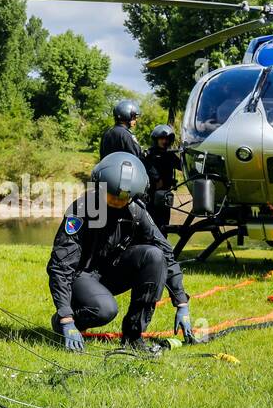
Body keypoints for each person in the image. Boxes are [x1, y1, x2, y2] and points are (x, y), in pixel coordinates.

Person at [48, 151, 197, 353]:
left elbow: (165, 252)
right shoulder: (81, 211)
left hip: (112, 272)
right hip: (81, 276)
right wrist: (65, 317)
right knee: (105, 310)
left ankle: (133, 337)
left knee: (155, 256)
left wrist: (181, 302)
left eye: (124, 198)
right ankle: (64, 323)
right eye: (112, 196)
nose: (118, 201)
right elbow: (61, 266)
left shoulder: (137, 211)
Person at [142, 124, 182, 231]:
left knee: (164, 222)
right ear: (156, 139)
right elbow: (147, 166)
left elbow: (181, 166)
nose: (164, 141)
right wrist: (157, 178)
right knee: (152, 221)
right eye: (162, 139)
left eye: (167, 139)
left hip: (165, 193)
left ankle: (162, 244)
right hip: (152, 193)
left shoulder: (170, 155)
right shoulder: (149, 154)